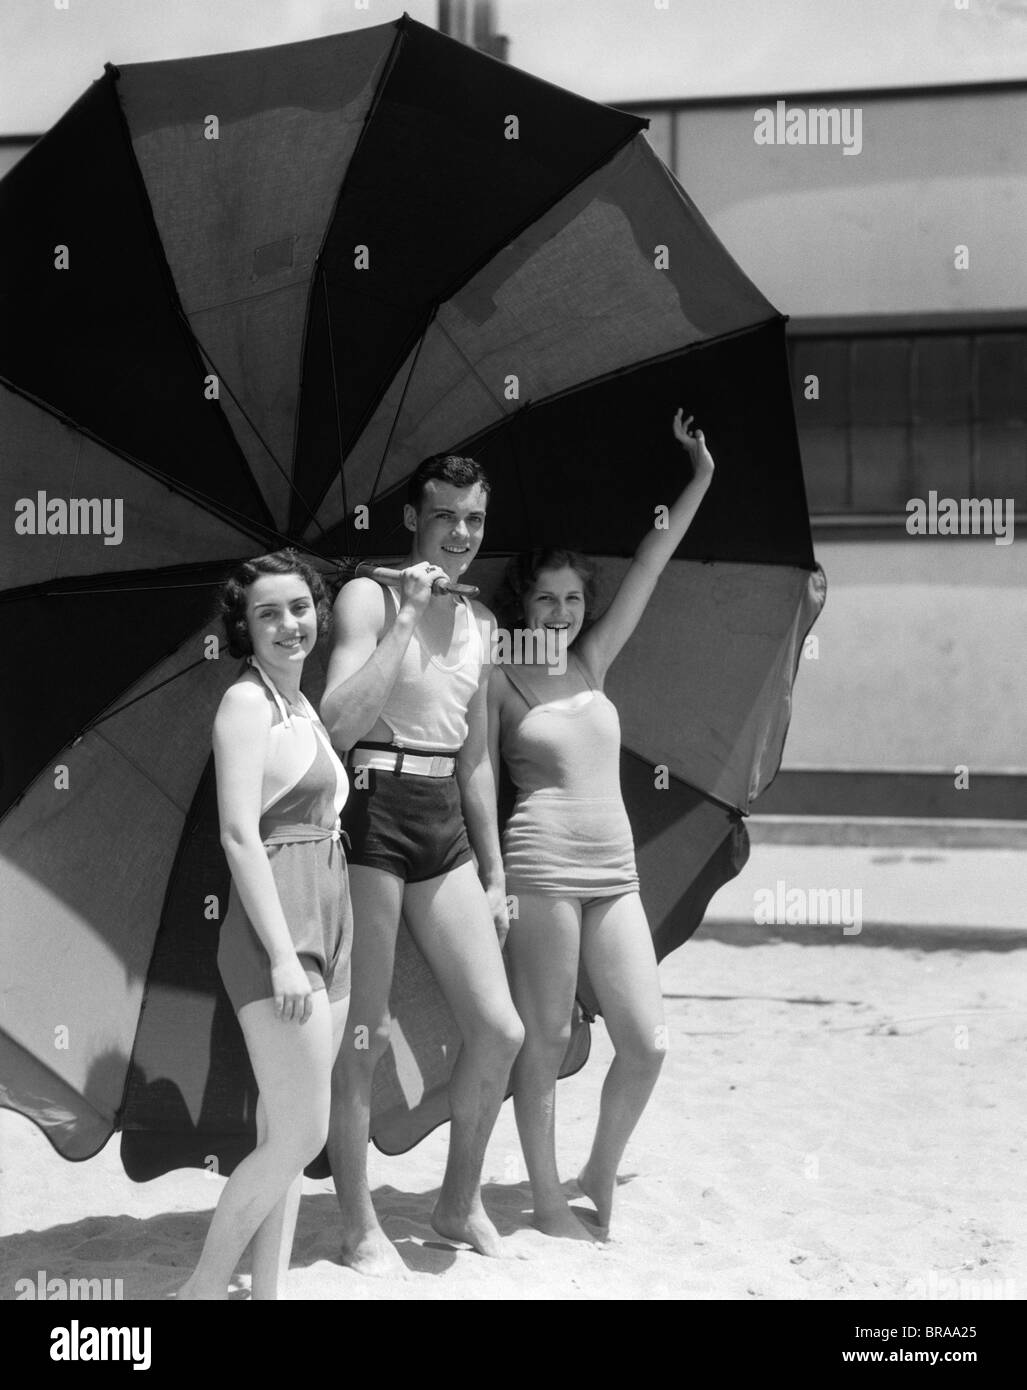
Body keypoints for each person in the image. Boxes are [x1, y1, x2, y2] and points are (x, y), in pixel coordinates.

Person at [488, 409, 715, 1240]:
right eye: (544, 598)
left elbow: (653, 559)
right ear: (523, 601)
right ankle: (546, 1200)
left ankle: (592, 1169)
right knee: (543, 1040)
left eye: (572, 598)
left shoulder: (592, 660)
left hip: (614, 874)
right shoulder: (499, 677)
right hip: (539, 871)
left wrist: (700, 476)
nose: (559, 611)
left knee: (647, 1042)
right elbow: (479, 780)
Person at [321, 455, 524, 1275]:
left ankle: (456, 1201)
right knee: (362, 1039)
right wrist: (406, 615)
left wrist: (495, 869)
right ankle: (358, 1225)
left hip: (443, 822)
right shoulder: (367, 596)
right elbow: (335, 721)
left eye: (474, 518)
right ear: (414, 517)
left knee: (500, 1029)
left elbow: (478, 759)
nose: (463, 534)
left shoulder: (482, 624)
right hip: (370, 808)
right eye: (446, 517)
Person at [179, 550, 352, 1300]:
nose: (289, 624)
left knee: (281, 1133)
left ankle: (267, 1292)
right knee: (301, 1137)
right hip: (276, 931)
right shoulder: (246, 704)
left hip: (330, 917)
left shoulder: (302, 703)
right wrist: (283, 956)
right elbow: (238, 835)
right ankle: (202, 1290)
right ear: (244, 629)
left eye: (300, 607)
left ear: (320, 610)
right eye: (268, 613)